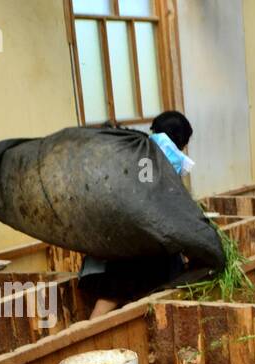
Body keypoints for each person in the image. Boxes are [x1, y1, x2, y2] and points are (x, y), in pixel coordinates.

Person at [79, 110, 198, 318]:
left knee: (165, 267)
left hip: (121, 242)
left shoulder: (142, 153)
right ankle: (87, 332)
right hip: (125, 248)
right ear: (178, 141)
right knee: (116, 289)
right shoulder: (155, 157)